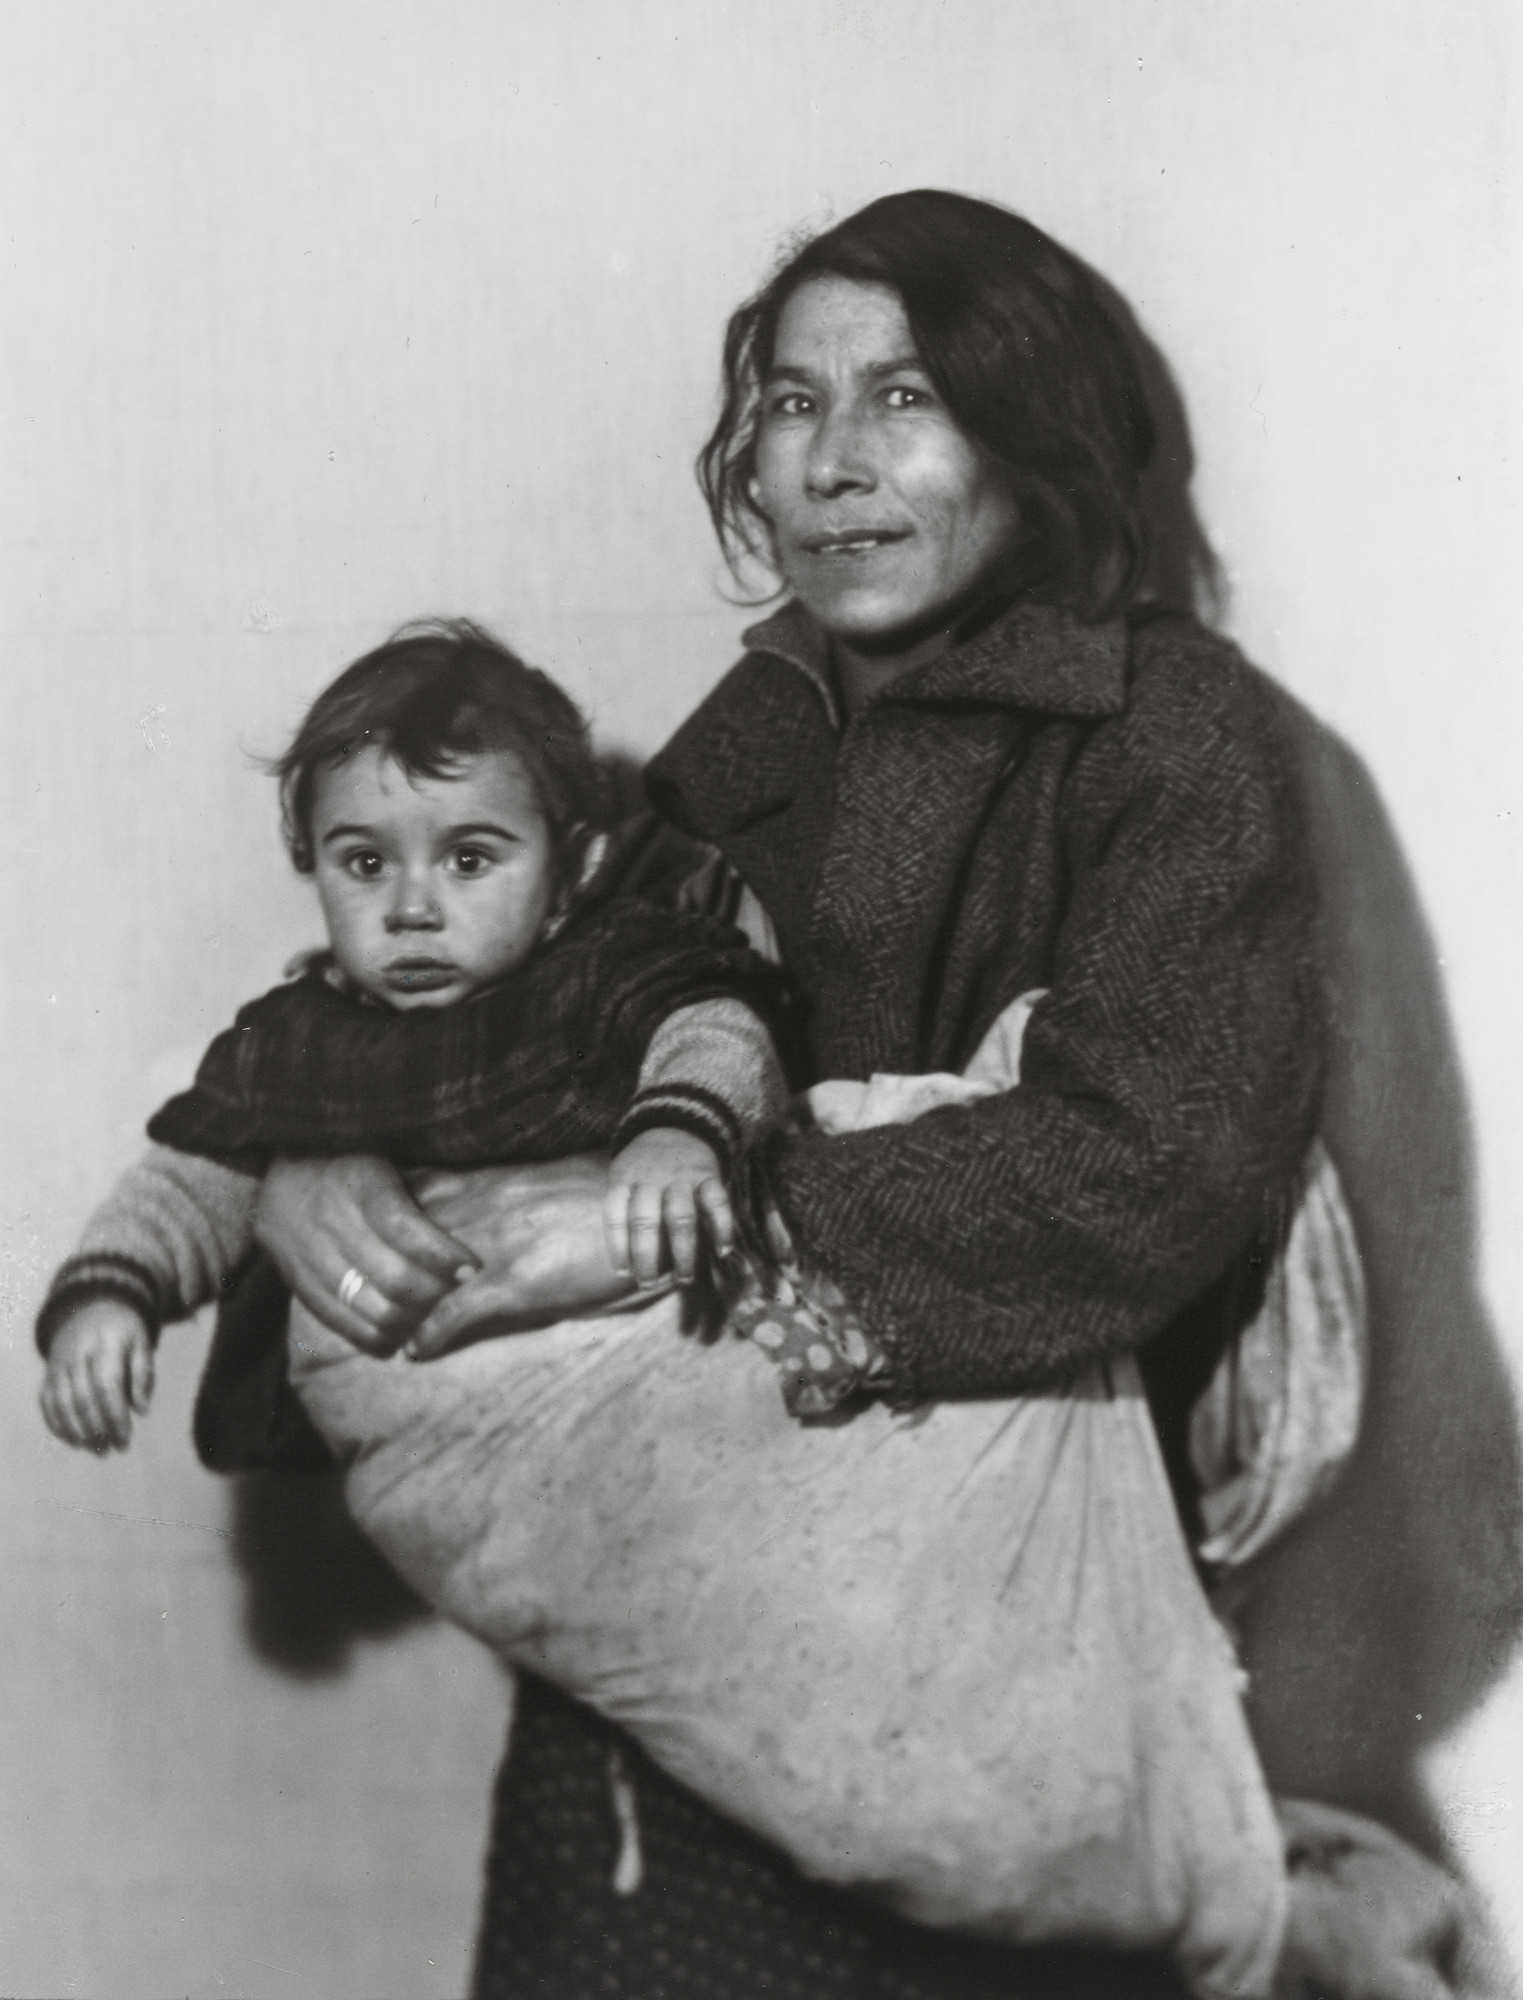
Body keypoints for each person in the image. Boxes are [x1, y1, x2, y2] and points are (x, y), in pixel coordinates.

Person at [254, 191, 1327, 2000]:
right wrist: (311, 1157)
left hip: (986, 1684)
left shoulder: (1165, 728)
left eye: (903, 398)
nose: (833, 464)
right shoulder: (721, 756)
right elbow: (492, 1035)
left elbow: (1152, 1156)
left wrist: (652, 1216)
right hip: (646, 1717)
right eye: (790, 403)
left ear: (1034, 430)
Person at [36, 620, 787, 1458]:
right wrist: (107, 1296)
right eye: (364, 864)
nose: (410, 908)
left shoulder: (606, 970)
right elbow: (185, 1183)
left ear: (572, 873)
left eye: (468, 860)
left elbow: (715, 1025)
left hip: (623, 1395)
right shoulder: (296, 1040)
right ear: (308, 860)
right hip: (417, 1431)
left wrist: (677, 1132)